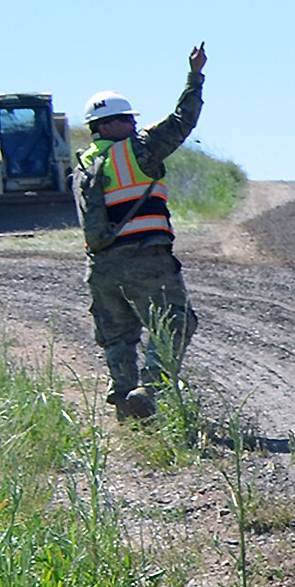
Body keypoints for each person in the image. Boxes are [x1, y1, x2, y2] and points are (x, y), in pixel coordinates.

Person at [76, 45, 207, 420]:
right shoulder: (137, 150)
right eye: (125, 120)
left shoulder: (83, 165)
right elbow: (183, 121)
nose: (133, 124)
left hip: (100, 267)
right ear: (105, 126)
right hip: (144, 257)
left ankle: (124, 406)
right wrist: (195, 76)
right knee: (177, 322)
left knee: (117, 338)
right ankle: (149, 389)